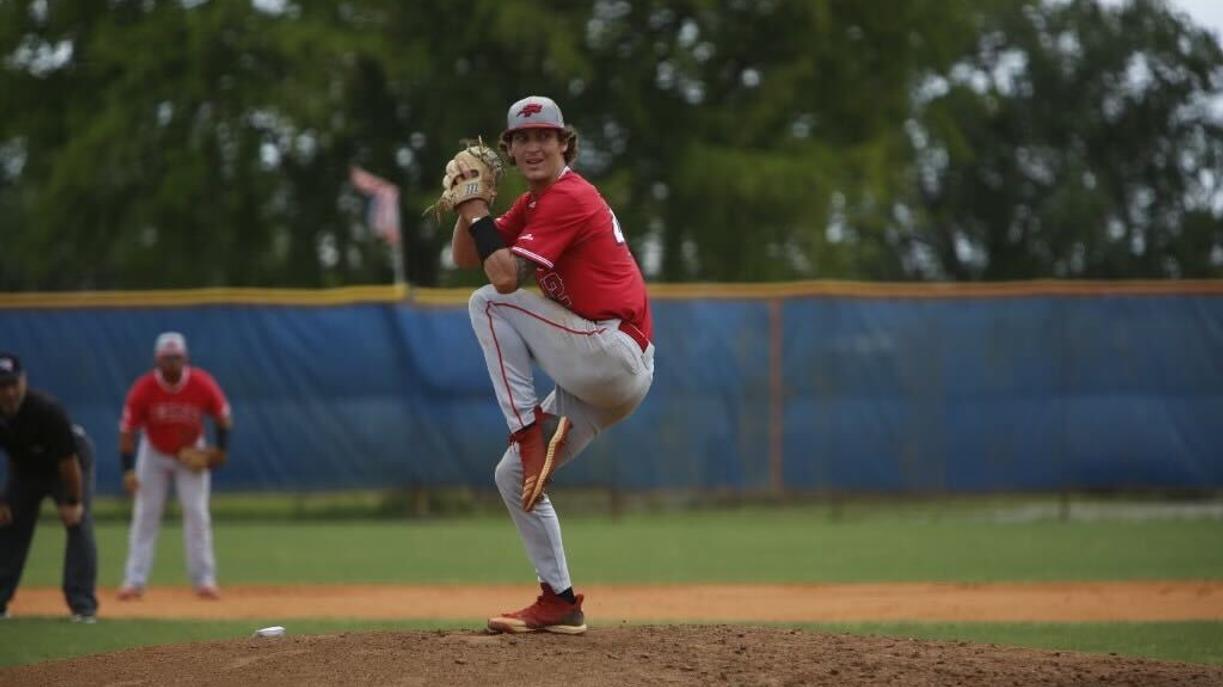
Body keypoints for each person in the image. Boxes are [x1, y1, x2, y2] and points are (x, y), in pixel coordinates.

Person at [449, 95, 655, 634]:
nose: (533, 146)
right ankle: (560, 600)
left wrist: (477, 210)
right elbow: (467, 256)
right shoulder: (533, 205)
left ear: (565, 143)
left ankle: (527, 431)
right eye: (522, 138)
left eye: (545, 136)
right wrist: (467, 207)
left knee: (488, 303)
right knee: (513, 476)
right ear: (509, 150)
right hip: (604, 376)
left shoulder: (568, 196)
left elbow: (502, 278)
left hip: (611, 352)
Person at [116, 332, 232, 601]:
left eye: (176, 358)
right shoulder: (144, 388)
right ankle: (134, 581)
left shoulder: (201, 383)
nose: (172, 363)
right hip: (154, 452)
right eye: (167, 358)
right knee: (146, 515)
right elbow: (127, 431)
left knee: (197, 514)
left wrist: (221, 450)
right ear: (157, 360)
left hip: (190, 452)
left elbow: (224, 417)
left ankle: (204, 580)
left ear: (185, 358)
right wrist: (128, 469)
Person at [0, 352, 99, 623]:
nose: (9, 392)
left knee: (77, 523)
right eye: (2, 386)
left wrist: (73, 501)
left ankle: (82, 605)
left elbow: (69, 461)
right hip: (26, 469)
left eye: (13, 384)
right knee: (8, 521)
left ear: (24, 381)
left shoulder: (46, 410)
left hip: (65, 466)